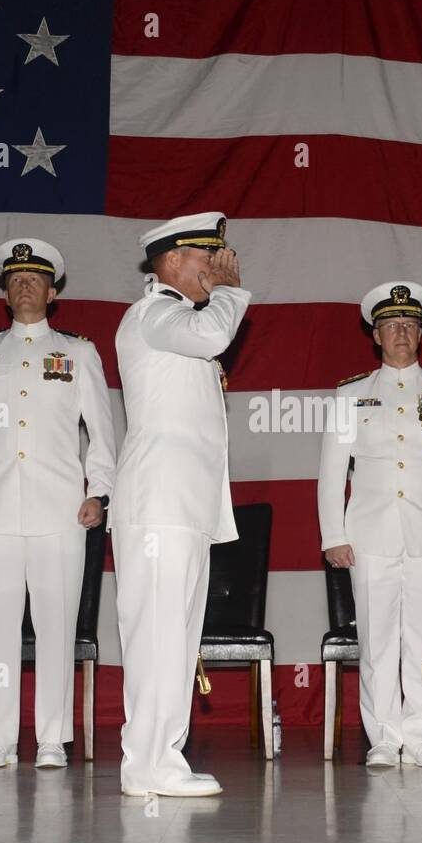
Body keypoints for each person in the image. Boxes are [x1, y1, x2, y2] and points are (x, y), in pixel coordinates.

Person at [0, 238, 116, 770]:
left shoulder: (79, 353)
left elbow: (103, 433)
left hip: (60, 511)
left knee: (57, 628)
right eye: (15, 279)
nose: (24, 286)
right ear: (4, 292)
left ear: (53, 291)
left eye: (35, 279)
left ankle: (50, 739)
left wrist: (98, 491)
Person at [110, 212, 251, 797]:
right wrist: (229, 289)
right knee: (158, 637)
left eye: (219, 258)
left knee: (175, 638)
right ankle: (148, 763)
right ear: (171, 260)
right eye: (206, 257)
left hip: (181, 506)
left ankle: (160, 759)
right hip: (159, 506)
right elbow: (216, 336)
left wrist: (217, 290)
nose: (216, 267)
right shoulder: (156, 313)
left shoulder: (174, 317)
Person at [318, 281, 422, 768]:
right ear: (376, 336)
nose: (401, 332)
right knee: (378, 640)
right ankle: (384, 737)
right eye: (391, 325)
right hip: (369, 534)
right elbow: (330, 471)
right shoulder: (351, 395)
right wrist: (333, 534)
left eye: (409, 325)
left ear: (421, 333)